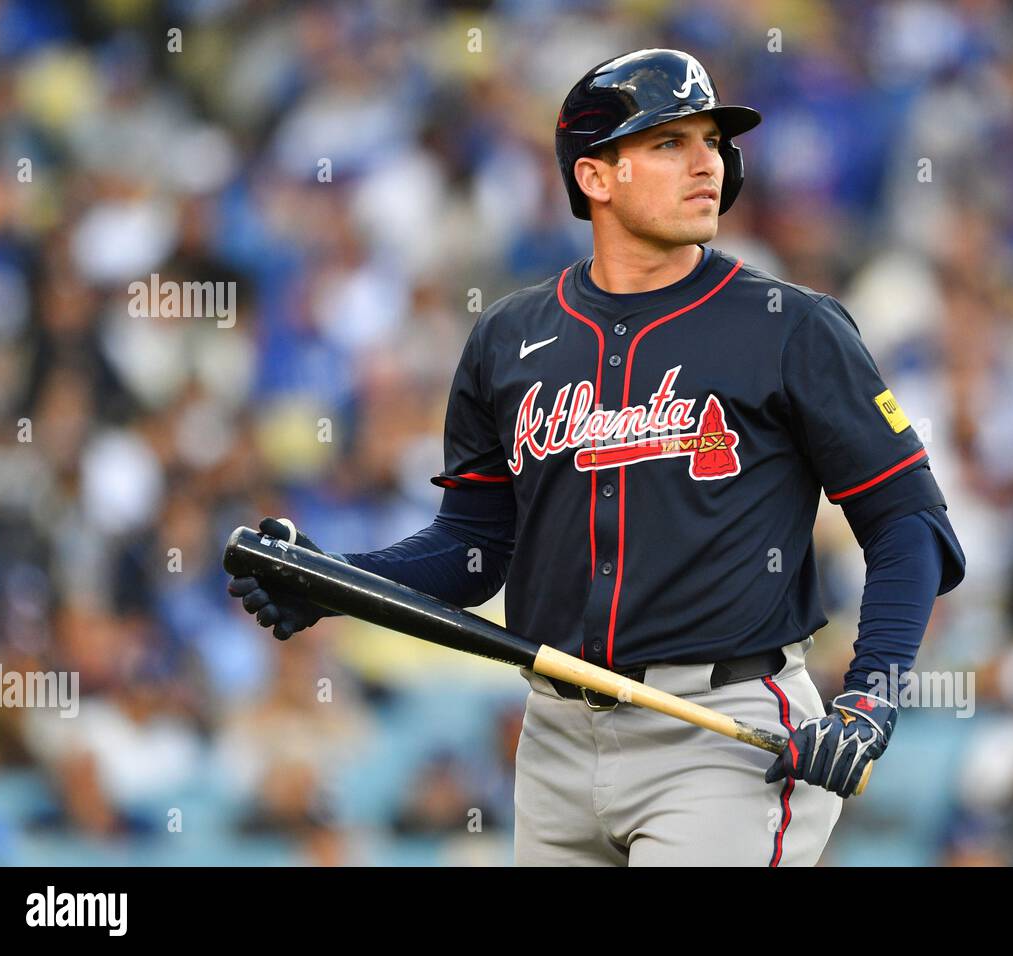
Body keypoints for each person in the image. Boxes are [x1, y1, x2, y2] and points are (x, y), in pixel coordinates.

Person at [228, 48, 966, 866]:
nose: (706, 163)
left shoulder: (792, 325)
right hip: (553, 736)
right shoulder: (508, 338)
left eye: (712, 142)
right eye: (668, 144)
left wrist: (869, 699)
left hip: (719, 735)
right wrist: (338, 581)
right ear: (596, 176)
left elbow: (909, 524)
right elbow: (473, 551)